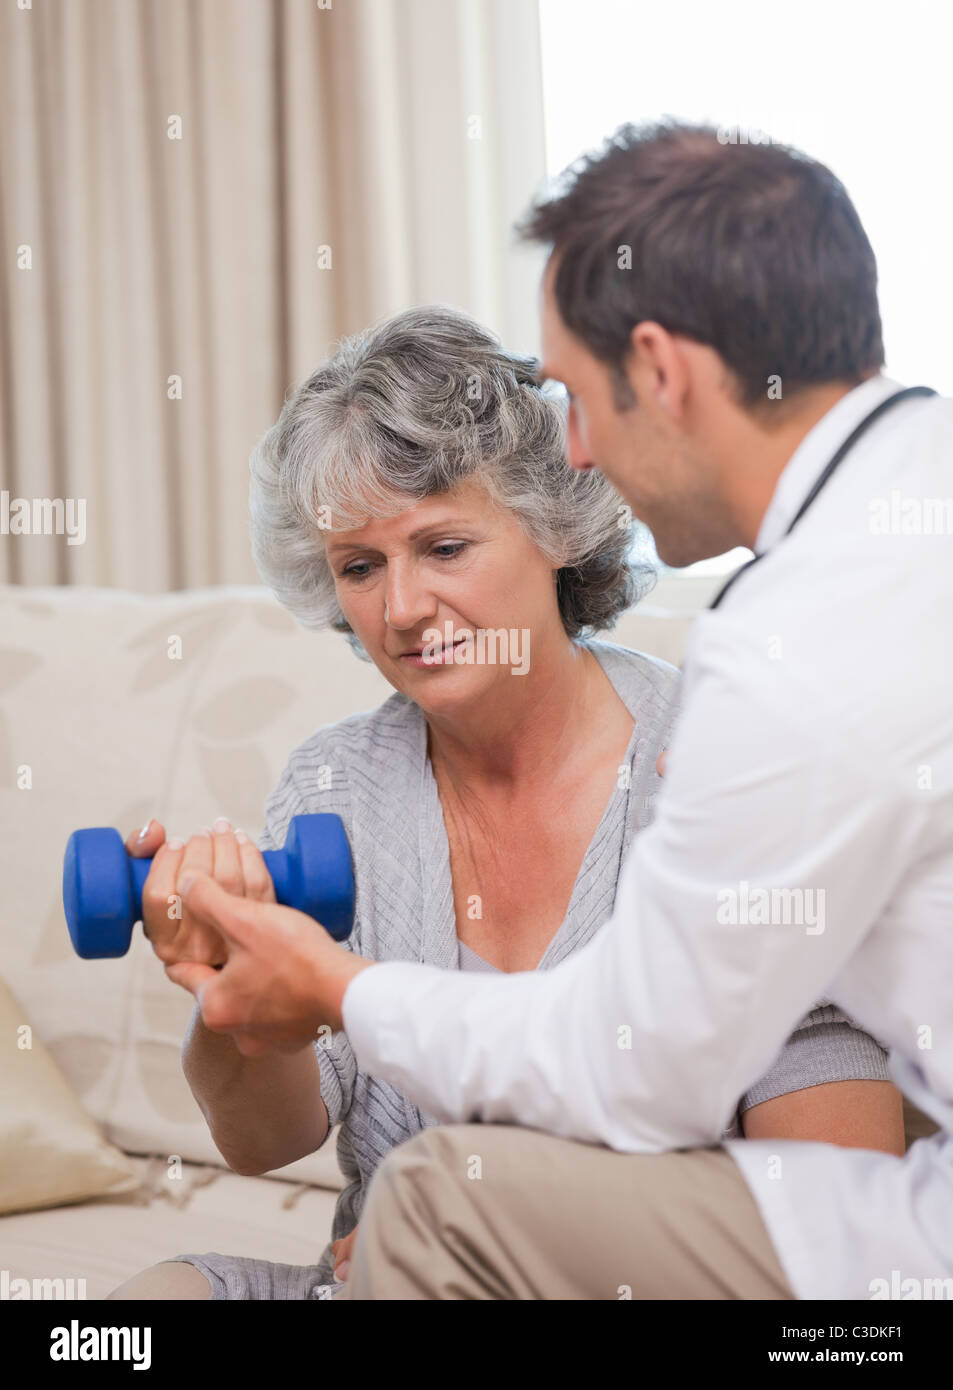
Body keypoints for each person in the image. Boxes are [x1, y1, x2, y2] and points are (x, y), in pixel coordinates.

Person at [106, 304, 904, 1301]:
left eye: (442, 547)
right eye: (360, 565)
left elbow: (838, 1205)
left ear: (553, 524)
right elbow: (267, 1139)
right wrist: (232, 993)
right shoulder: (335, 786)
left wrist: (481, 1246)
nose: (399, 609)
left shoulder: (710, 765)